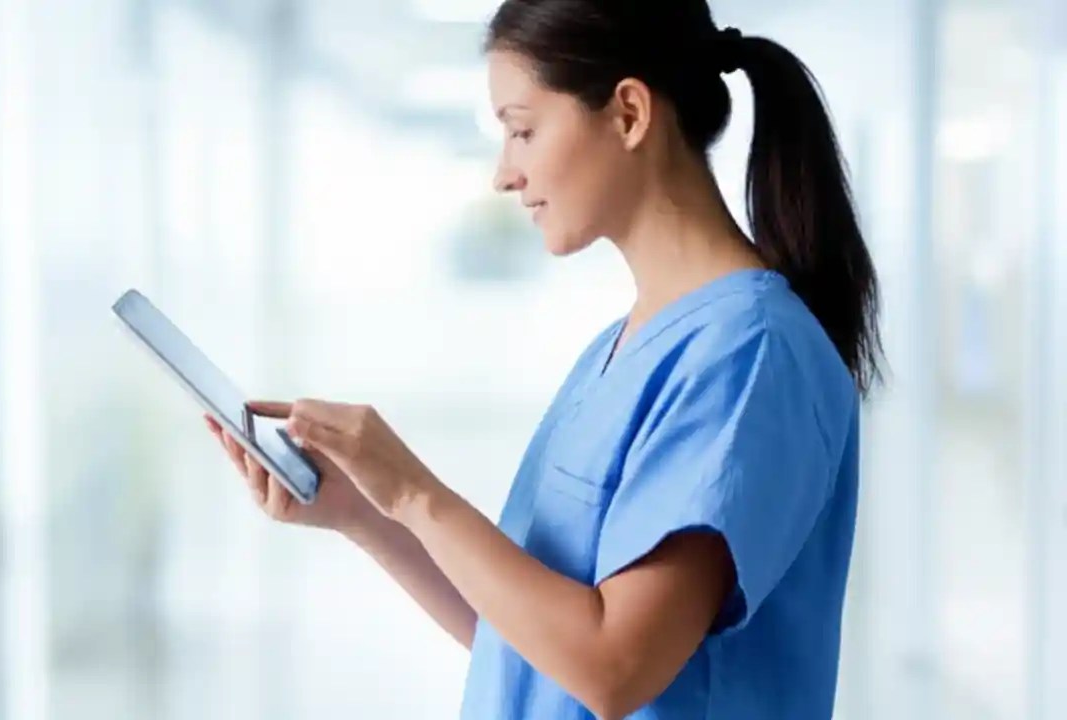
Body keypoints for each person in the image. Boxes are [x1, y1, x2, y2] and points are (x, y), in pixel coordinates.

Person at [203, 0, 882, 717]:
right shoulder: (621, 349)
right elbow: (529, 644)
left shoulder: (750, 355)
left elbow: (614, 665)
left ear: (628, 114)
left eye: (522, 131)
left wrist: (414, 492)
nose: (505, 173)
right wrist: (365, 514)